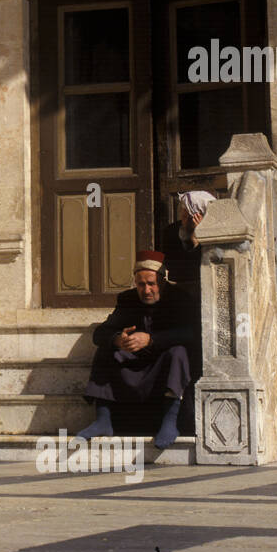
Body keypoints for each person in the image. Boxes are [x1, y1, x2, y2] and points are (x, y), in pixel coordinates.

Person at [77, 250, 198, 449]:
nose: (146, 290)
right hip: (136, 364)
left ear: (162, 282)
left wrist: (151, 339)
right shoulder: (128, 299)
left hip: (162, 365)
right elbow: (100, 333)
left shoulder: (180, 298)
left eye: (151, 284)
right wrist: (118, 340)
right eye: (141, 284)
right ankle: (103, 420)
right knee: (106, 349)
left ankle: (170, 421)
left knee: (178, 352)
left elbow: (191, 334)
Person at [159, 190, 216, 299]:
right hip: (177, 287)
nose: (183, 215)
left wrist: (197, 234)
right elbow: (171, 261)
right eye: (183, 211)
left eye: (187, 213)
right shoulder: (171, 230)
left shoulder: (212, 232)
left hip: (201, 288)